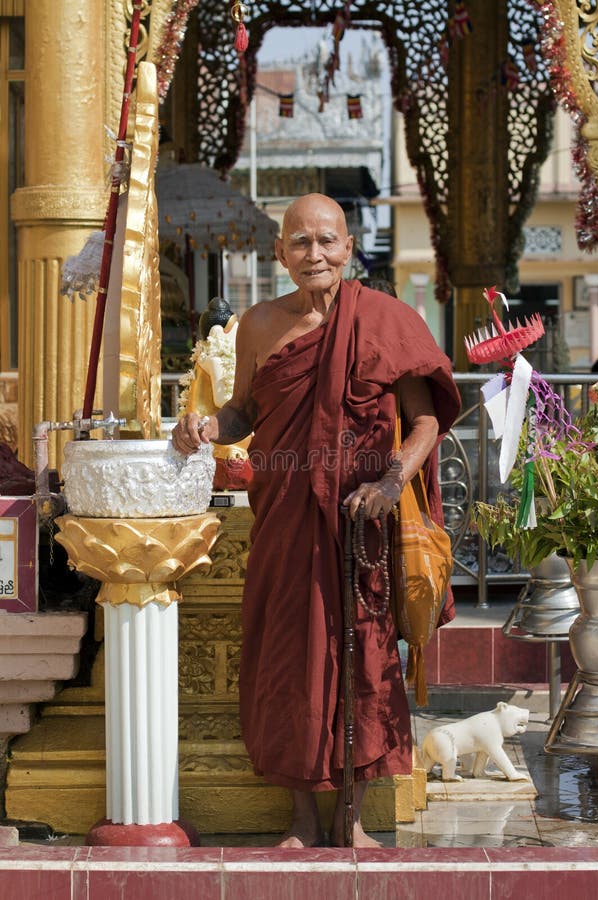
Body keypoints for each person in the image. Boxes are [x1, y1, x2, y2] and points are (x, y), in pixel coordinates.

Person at [172, 193, 460, 847]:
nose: (315, 254)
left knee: (365, 659)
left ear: (348, 249)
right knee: (285, 662)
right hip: (286, 524)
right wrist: (208, 426)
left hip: (362, 525)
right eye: (300, 242)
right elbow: (244, 412)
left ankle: (353, 819)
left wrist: (392, 481)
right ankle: (300, 818)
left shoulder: (384, 319)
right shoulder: (258, 325)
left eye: (327, 241)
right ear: (280, 253)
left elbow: (425, 422)